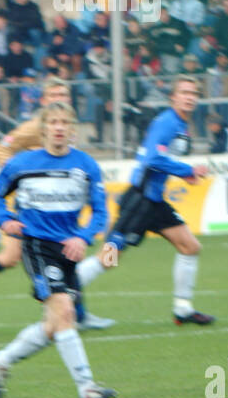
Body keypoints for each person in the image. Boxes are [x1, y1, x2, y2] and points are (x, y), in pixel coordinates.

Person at [0, 79, 114, 330]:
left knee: (62, 253)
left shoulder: (67, 126)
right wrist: (20, 176)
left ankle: (74, 312)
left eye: (65, 93)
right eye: (55, 93)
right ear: (43, 101)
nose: (61, 97)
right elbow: (3, 148)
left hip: (55, 203)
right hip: (31, 208)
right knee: (16, 256)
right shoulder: (34, 128)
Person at [0, 103, 116, 398]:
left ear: (72, 129)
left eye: (64, 122)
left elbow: (100, 211)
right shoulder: (21, 164)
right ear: (43, 130)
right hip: (37, 246)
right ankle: (87, 388)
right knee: (65, 312)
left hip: (69, 249)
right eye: (53, 122)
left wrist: (82, 237)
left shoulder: (86, 166)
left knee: (54, 325)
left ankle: (1, 360)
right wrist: (5, 220)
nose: (58, 127)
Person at [76, 75, 214, 325]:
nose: (190, 97)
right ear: (173, 97)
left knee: (190, 247)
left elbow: (161, 161)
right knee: (108, 259)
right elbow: (152, 159)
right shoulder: (167, 122)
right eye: (184, 92)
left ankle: (183, 309)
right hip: (139, 202)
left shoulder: (180, 125)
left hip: (154, 202)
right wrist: (188, 171)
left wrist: (183, 174)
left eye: (194, 93)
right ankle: (63, 288)